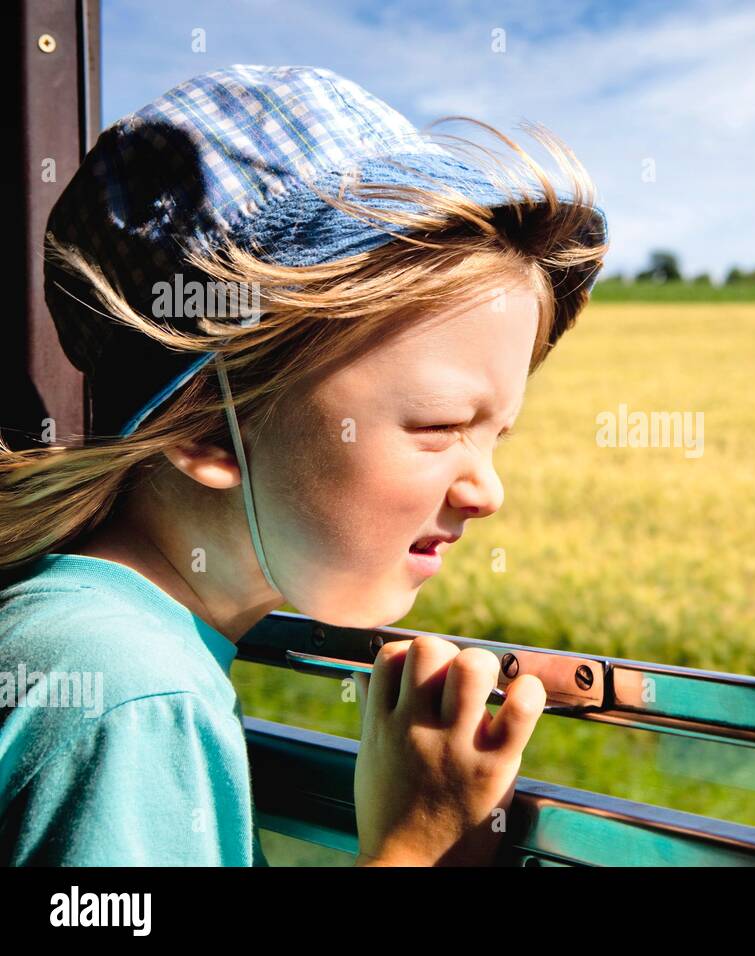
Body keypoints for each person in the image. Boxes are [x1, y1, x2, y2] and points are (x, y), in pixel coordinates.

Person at [0, 64, 608, 866]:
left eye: (496, 436)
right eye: (438, 426)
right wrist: (412, 848)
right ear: (210, 429)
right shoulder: (131, 696)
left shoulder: (91, 638)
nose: (487, 491)